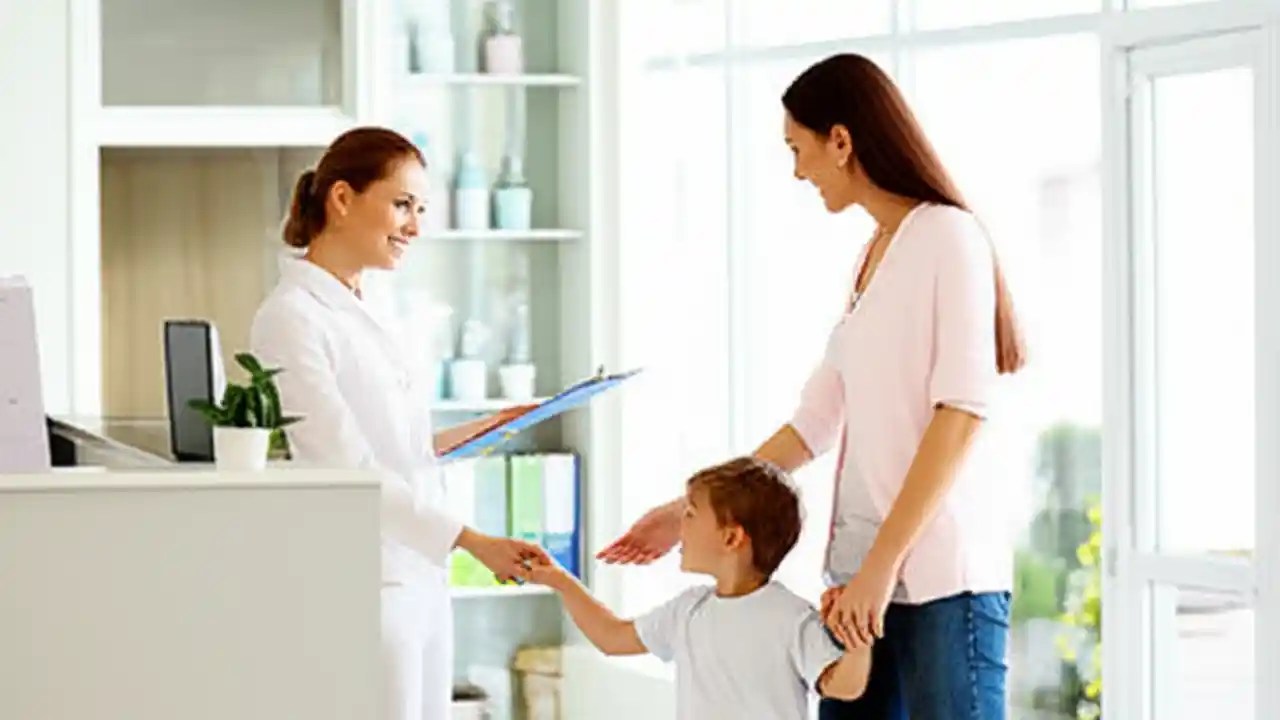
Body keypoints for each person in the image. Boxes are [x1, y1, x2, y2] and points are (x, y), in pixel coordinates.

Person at [598, 53, 1024, 719]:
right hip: (858, 581)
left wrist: (882, 568)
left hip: (938, 582)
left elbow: (961, 414)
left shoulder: (948, 236)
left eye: (798, 149)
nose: (798, 170)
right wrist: (686, 512)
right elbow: (811, 427)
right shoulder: (872, 256)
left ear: (842, 141)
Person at [250, 126, 550, 720]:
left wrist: (482, 429)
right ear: (341, 199)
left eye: (421, 209)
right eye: (403, 205)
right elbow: (349, 470)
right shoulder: (291, 318)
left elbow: (395, 445)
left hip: (418, 574)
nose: (415, 226)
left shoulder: (370, 304)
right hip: (368, 580)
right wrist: (474, 542)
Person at [521, 457, 869, 718]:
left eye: (689, 514)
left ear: (731, 537)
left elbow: (844, 685)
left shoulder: (792, 617)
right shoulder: (688, 610)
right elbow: (612, 637)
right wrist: (559, 580)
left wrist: (859, 641)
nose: (679, 527)